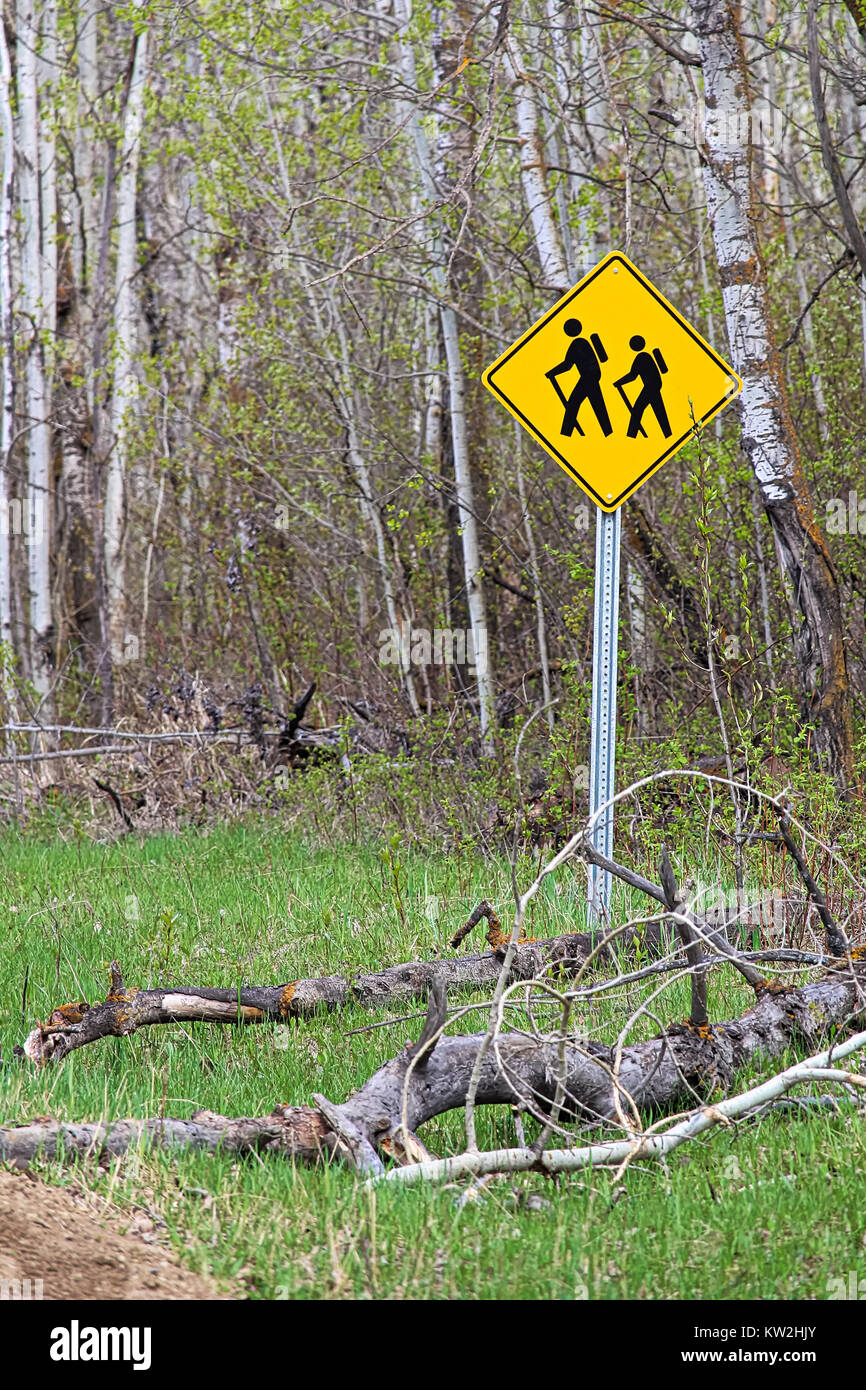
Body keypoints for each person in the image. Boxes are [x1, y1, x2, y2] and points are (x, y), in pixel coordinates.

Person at [546, 319, 612, 438]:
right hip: (593, 376)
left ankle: (566, 434)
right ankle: (608, 433)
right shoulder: (583, 342)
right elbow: (569, 364)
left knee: (573, 404)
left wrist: (551, 373)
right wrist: (552, 373)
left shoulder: (577, 344)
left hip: (588, 377)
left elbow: (567, 365)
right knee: (598, 406)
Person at [613, 335, 671, 439]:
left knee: (637, 409)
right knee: (659, 412)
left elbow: (632, 375)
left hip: (651, 387)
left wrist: (619, 382)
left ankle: (631, 436)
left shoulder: (641, 357)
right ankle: (668, 434)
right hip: (655, 386)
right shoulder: (645, 356)